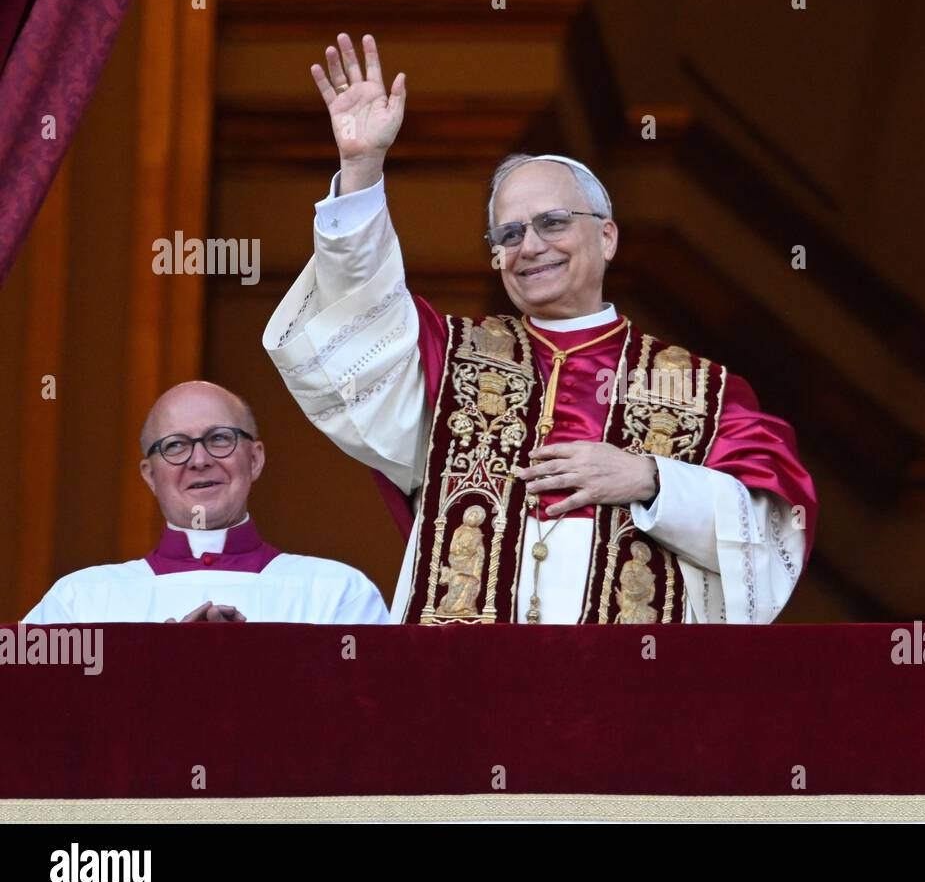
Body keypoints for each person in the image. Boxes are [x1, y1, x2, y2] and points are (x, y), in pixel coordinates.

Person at [263, 33, 816, 624]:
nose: (530, 247)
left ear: (607, 236)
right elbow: (358, 315)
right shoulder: (447, 362)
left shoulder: (700, 389)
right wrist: (361, 168)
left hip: (626, 698)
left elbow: (774, 532)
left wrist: (652, 479)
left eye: (552, 222)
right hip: (463, 691)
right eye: (508, 234)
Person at [23, 381, 388, 624]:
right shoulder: (80, 601)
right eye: (176, 445)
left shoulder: (337, 594)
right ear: (150, 475)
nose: (199, 460)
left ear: (255, 459)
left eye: (219, 438)